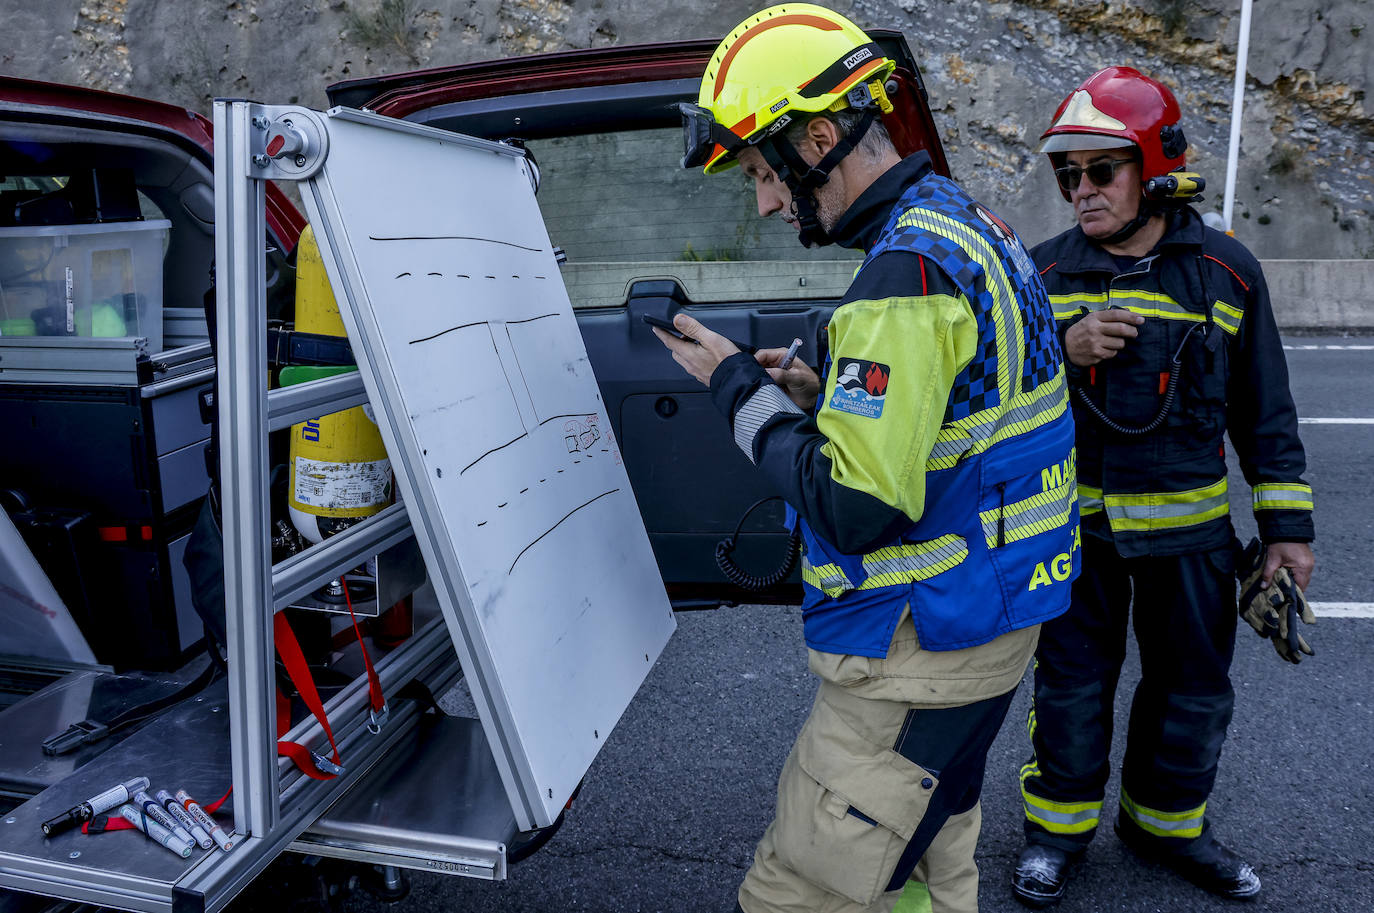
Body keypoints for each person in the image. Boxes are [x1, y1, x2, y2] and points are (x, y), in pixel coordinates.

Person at [657, 6, 1079, 911]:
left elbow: (855, 508)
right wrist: (829, 398)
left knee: (801, 890)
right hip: (991, 624)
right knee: (927, 872)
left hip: (921, 647)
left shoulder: (903, 280)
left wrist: (739, 388)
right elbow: (964, 413)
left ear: (821, 136)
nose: (767, 201)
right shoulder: (970, 227)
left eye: (766, 173)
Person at [1010, 66, 1316, 907]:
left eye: (1100, 170)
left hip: (1193, 544)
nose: (1080, 191)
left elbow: (1268, 413)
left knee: (1192, 691)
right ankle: (1057, 832)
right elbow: (986, 402)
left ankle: (1166, 826)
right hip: (1076, 541)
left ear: (1154, 167)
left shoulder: (1227, 272)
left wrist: (1288, 532)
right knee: (1069, 689)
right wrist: (1059, 353)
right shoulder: (1037, 278)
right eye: (1066, 174)